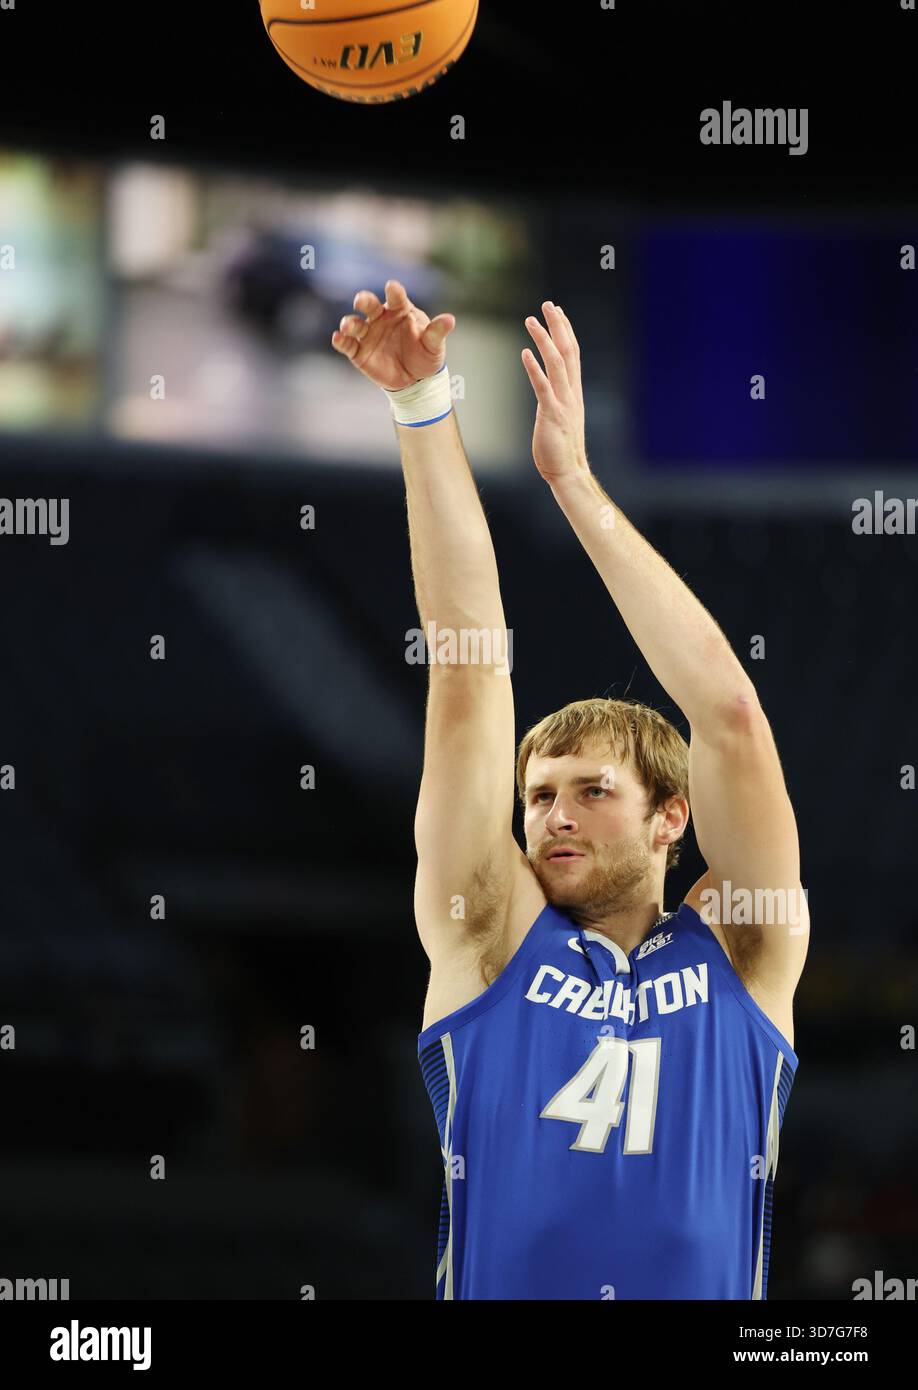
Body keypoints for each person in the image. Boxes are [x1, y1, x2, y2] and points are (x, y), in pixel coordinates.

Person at [331, 280, 809, 1300]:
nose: (551, 812)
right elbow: (467, 666)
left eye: (591, 790)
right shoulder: (489, 932)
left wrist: (575, 481)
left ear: (672, 816)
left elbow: (729, 713)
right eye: (539, 792)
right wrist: (423, 410)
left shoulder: (746, 949)